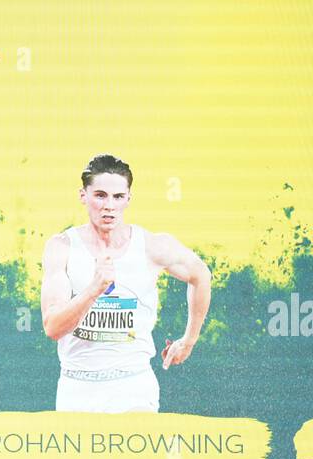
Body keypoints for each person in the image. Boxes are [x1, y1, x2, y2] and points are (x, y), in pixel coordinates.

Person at [41, 154, 211, 413]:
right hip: (76, 387)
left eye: (118, 197)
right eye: (100, 195)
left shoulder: (153, 246)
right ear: (83, 196)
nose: (109, 205)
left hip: (133, 387)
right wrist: (94, 289)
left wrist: (188, 340)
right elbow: (53, 328)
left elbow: (201, 276)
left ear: (128, 199)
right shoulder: (62, 248)